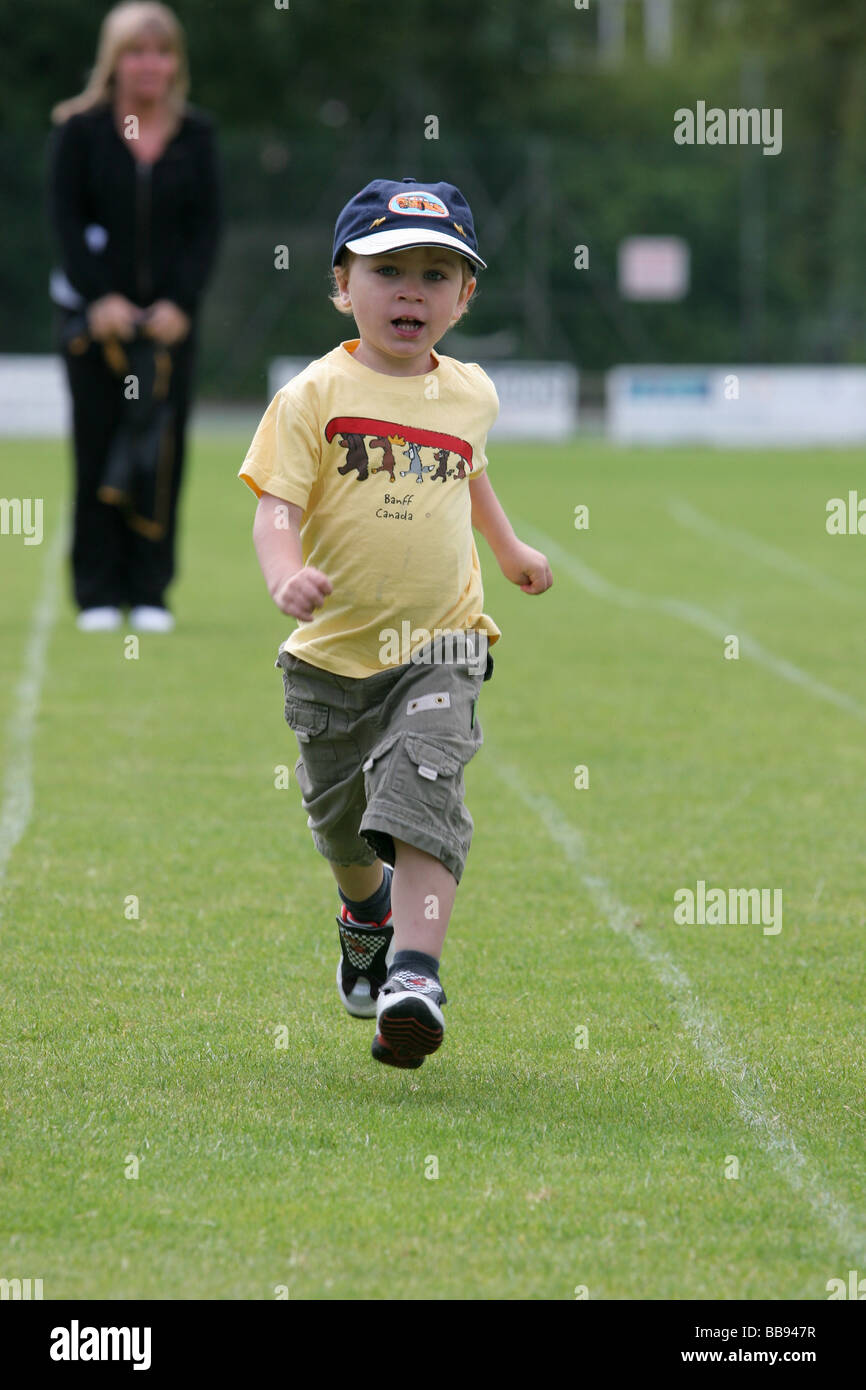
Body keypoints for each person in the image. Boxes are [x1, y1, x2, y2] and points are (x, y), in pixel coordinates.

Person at [239, 177, 552, 1068]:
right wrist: (284, 573)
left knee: (422, 790)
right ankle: (365, 915)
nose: (411, 290)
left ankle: (415, 976)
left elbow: (471, 473)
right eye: (388, 270)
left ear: (465, 296)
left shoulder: (470, 394)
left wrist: (511, 549)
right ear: (344, 284)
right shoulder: (313, 395)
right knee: (342, 830)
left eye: (436, 273)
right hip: (332, 660)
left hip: (444, 644)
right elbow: (273, 508)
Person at [46, 1, 222, 633]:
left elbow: (206, 232)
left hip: (172, 328)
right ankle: (96, 591)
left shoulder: (196, 134)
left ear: (175, 61)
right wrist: (101, 300)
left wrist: (180, 303)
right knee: (96, 448)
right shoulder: (79, 129)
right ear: (114, 59)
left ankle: (150, 589)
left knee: (162, 452)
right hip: (97, 326)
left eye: (162, 50)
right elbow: (65, 223)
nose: (150, 64)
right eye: (136, 51)